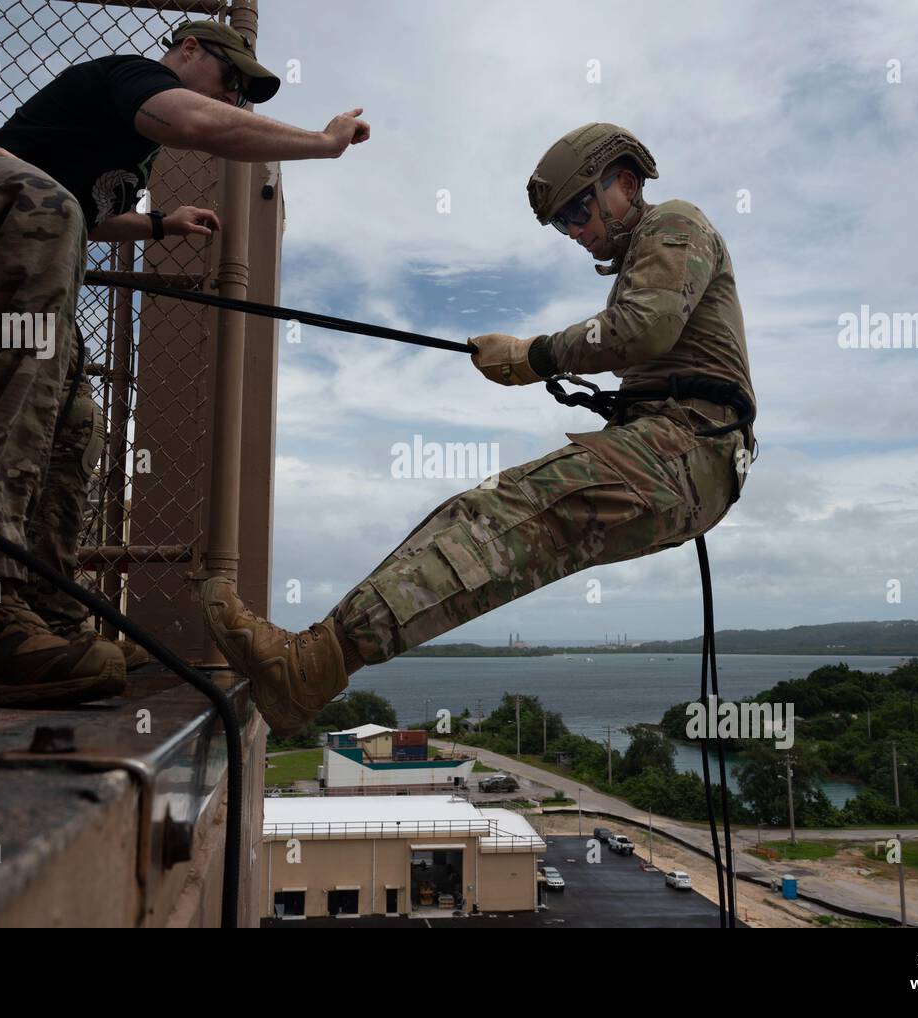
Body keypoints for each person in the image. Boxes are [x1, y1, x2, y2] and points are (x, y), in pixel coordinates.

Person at [0, 18, 370, 707]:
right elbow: (195, 125)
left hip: (21, 276)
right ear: (188, 50)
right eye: (232, 82)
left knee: (71, 429)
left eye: (247, 95)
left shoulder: (133, 153)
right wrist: (323, 142)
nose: (236, 102)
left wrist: (158, 224)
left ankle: (41, 610)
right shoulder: (131, 78)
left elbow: (84, 214)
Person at [200, 123, 757, 737]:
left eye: (579, 210)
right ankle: (311, 667)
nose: (576, 232)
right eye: (563, 224)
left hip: (688, 449)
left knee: (500, 519)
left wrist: (532, 356)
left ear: (626, 183)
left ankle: (313, 666)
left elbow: (645, 327)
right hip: (679, 452)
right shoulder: (644, 257)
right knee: (478, 520)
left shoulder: (674, 222)